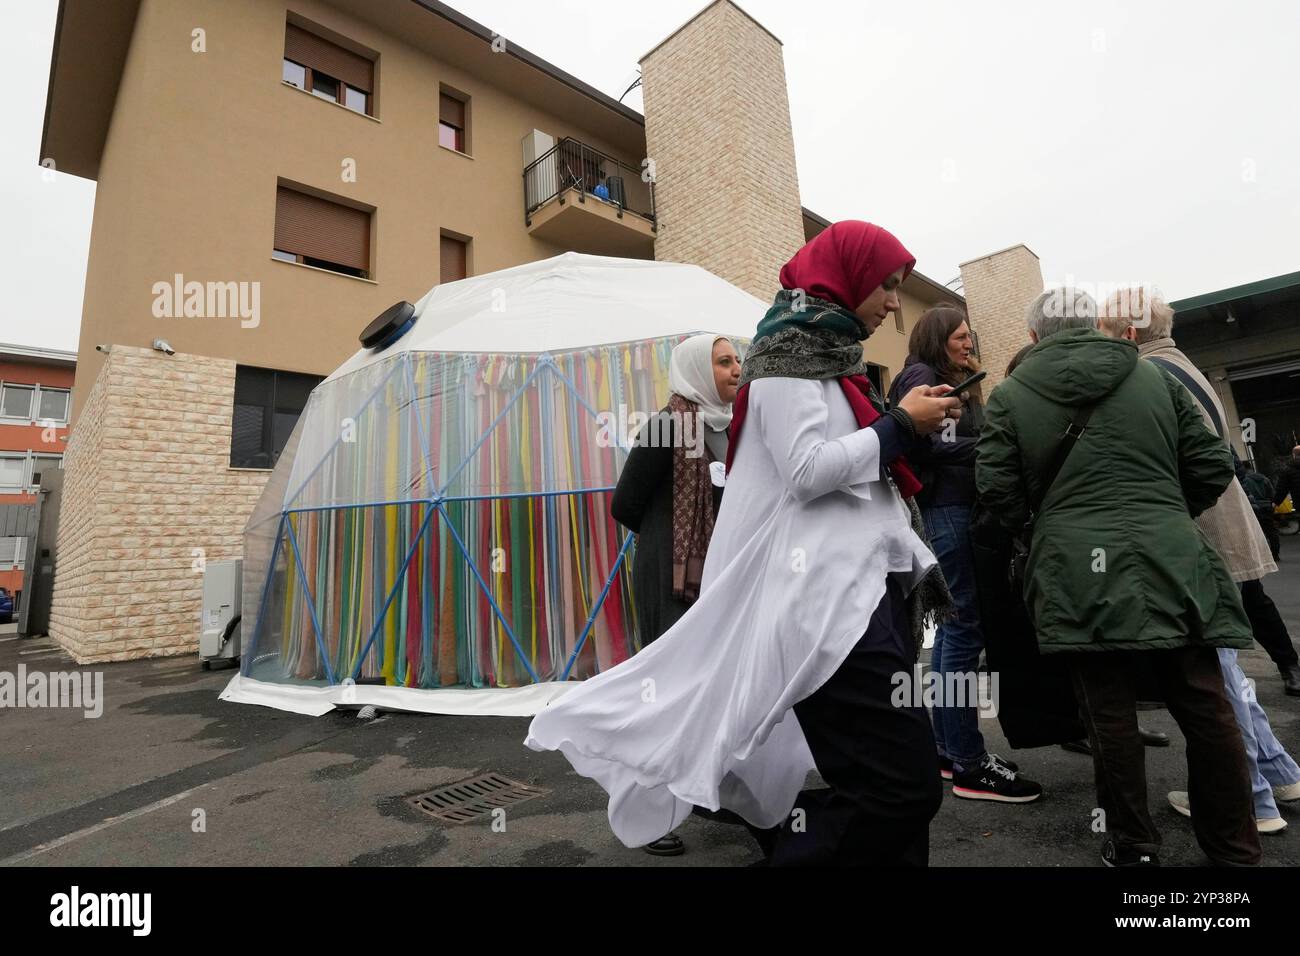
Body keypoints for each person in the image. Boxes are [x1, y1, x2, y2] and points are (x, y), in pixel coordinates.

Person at [526, 220, 961, 866]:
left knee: (893, 785)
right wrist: (899, 425)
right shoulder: (789, 359)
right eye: (888, 286)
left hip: (866, 596)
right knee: (906, 787)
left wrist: (910, 428)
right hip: (823, 612)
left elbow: (851, 472)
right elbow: (808, 472)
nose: (895, 302)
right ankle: (791, 847)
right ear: (848, 276)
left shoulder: (834, 359)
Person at [977, 287, 1260, 867]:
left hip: (1076, 568)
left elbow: (996, 490)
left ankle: (1134, 847)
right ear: (1094, 325)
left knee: (1107, 713)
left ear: (1033, 337)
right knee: (1205, 703)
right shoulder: (1154, 378)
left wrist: (1044, 526)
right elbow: (1213, 465)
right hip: (1173, 554)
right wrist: (1162, 513)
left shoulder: (1010, 395)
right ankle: (1234, 848)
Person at [1098, 288, 1300, 833]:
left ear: (1130, 333)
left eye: (1105, 331)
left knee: (1215, 674)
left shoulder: (1152, 377)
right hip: (1224, 531)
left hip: (1200, 539)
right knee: (1225, 667)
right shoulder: (1181, 365)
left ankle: (1248, 797)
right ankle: (1278, 772)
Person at [888, 307, 1041, 801]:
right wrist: (988, 445)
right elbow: (916, 446)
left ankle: (947, 749)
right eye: (959, 337)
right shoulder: (921, 375)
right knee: (961, 628)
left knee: (959, 627)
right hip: (944, 511)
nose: (968, 344)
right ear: (937, 338)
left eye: (970, 337)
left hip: (950, 510)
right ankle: (971, 764)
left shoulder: (941, 377)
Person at [608, 333, 740, 856]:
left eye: (737, 361)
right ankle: (648, 815)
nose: (735, 369)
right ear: (697, 370)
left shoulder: (731, 428)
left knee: (711, 692)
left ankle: (707, 791)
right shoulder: (669, 425)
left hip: (718, 580)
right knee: (665, 697)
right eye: (723, 361)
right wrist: (673, 538)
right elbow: (625, 503)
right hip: (673, 579)